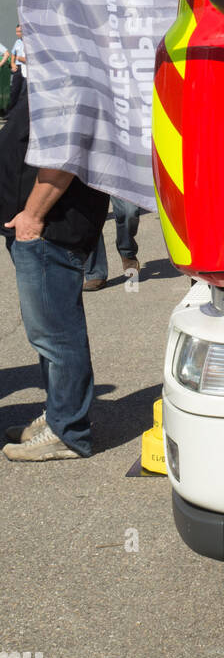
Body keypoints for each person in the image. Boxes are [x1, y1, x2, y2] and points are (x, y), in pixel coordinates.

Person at [0, 84, 109, 461]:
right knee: (47, 336)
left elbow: (63, 158)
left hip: (50, 228)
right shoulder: (57, 74)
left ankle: (69, 432)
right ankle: (59, 414)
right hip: (38, 227)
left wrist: (32, 216)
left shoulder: (71, 79)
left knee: (56, 335)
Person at [83, 196, 145, 291]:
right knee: (90, 216)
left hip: (119, 180)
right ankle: (95, 272)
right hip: (88, 181)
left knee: (129, 211)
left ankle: (127, 250)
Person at [8, 23, 26, 112]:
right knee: (14, 90)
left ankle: (19, 113)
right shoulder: (17, 41)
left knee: (23, 91)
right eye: (16, 32)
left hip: (26, 68)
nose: (17, 33)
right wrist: (12, 63)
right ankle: (10, 113)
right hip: (18, 68)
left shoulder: (29, 42)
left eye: (19, 31)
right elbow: (13, 54)